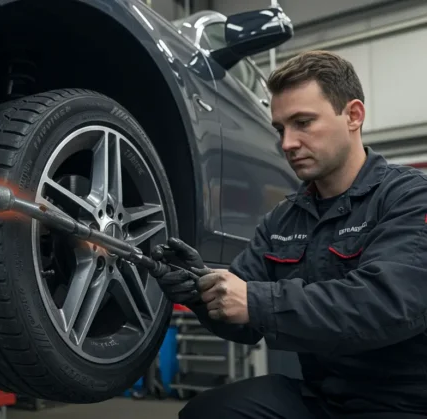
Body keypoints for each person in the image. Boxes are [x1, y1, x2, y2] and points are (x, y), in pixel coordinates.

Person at [152, 50, 427, 418]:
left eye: (303, 123)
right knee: (207, 413)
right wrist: (202, 291)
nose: (287, 144)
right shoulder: (284, 219)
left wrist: (256, 301)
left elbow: (387, 306)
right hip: (323, 398)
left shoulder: (409, 197)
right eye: (281, 129)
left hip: (405, 402)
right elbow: (245, 320)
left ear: (353, 116)